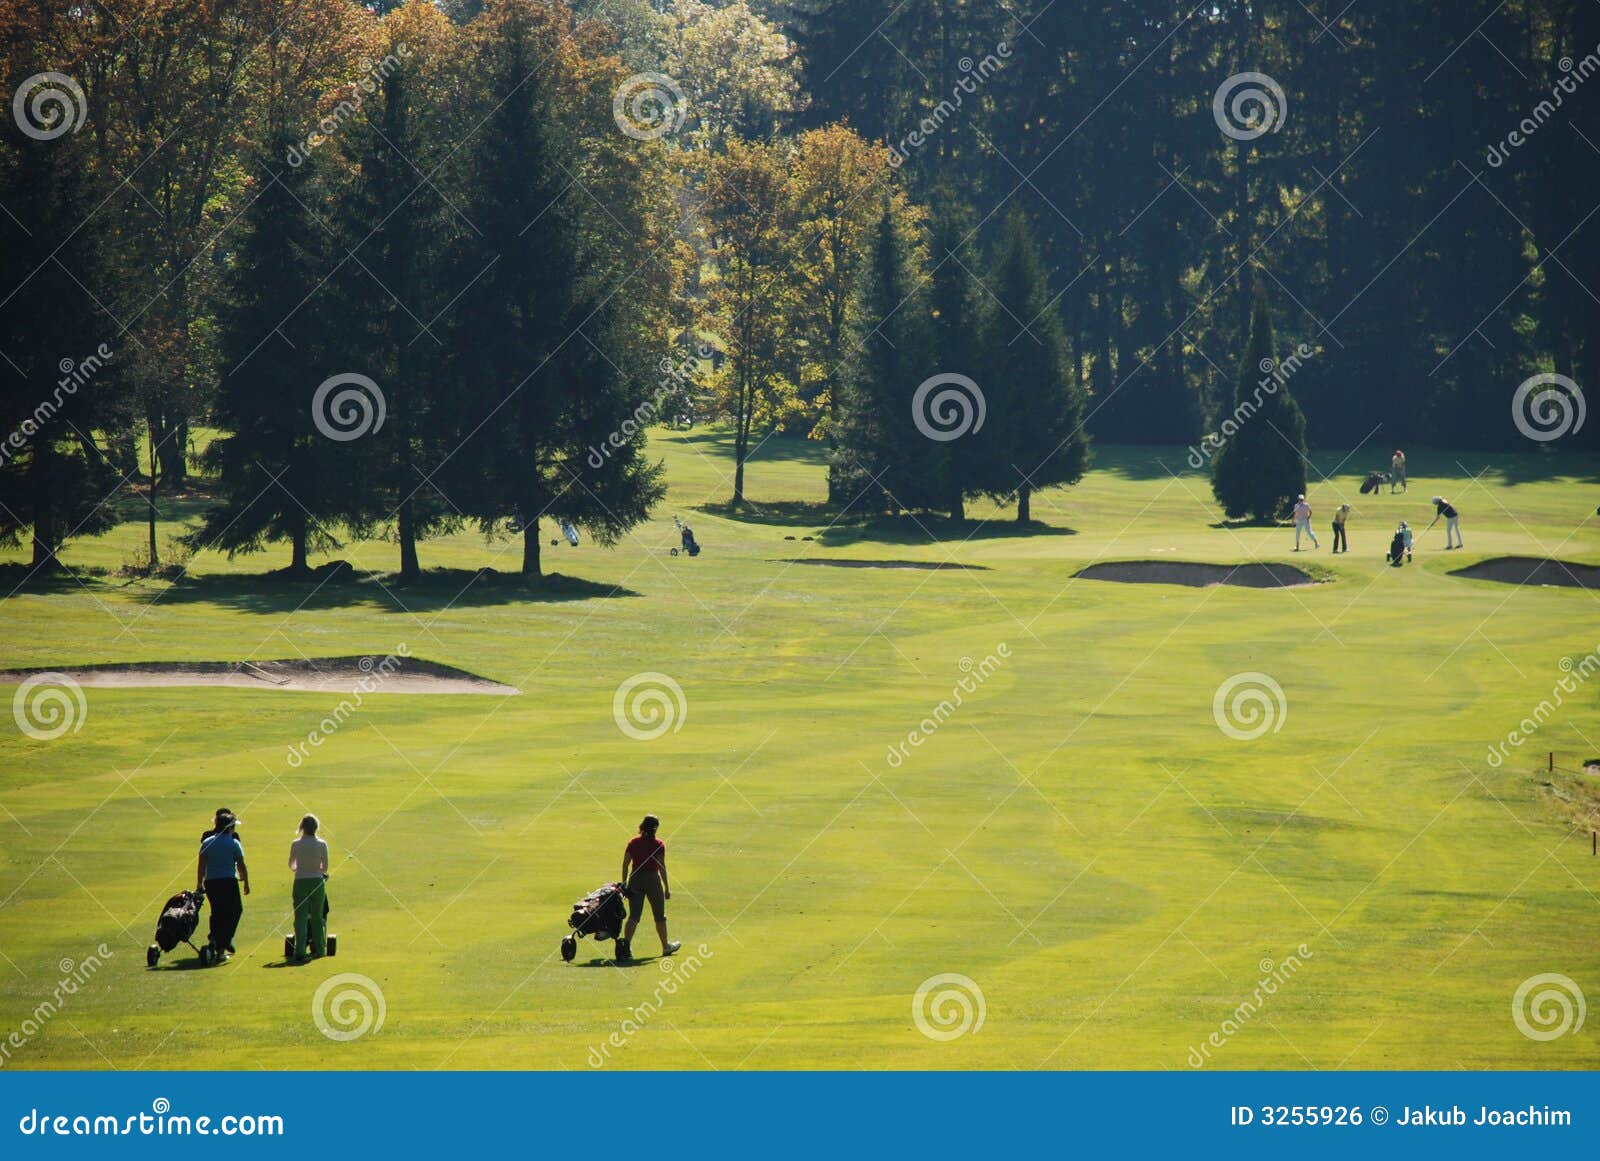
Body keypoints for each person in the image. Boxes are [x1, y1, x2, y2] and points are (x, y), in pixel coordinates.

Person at [616, 814, 680, 962]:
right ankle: (665, 946)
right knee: (659, 915)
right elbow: (662, 867)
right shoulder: (658, 844)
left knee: (634, 916)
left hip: (635, 878)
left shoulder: (633, 842)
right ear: (655, 828)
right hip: (652, 879)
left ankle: (626, 948)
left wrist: (624, 883)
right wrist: (667, 887)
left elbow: (625, 863)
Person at [196, 814, 248, 958]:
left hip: (211, 882)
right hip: (228, 882)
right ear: (230, 827)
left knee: (217, 913)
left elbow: (201, 865)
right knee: (235, 911)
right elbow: (241, 864)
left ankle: (216, 941)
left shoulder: (207, 842)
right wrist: (246, 881)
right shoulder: (233, 843)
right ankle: (223, 944)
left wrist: (199, 883)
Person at [288, 814, 329, 961]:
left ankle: (300, 950)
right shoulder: (322, 844)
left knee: (300, 917)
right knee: (317, 916)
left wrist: (300, 869)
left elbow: (291, 864)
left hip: (300, 881)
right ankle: (319, 949)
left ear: (302, 828)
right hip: (317, 882)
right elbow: (325, 868)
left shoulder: (296, 844)